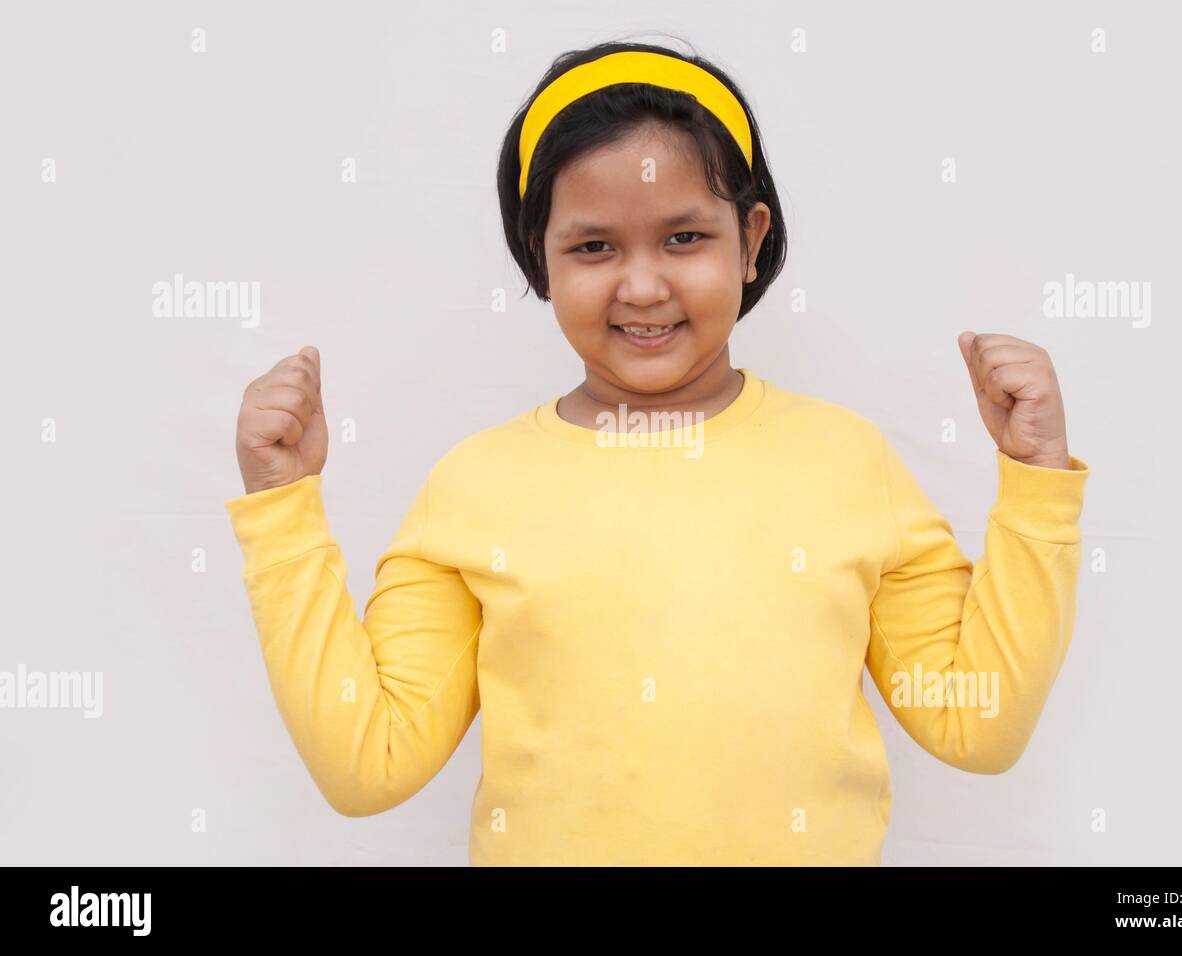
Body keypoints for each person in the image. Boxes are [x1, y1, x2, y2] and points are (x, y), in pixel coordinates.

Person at [225, 40, 1091, 866]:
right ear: (541, 255)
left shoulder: (850, 462)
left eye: (684, 238)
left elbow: (977, 726)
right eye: (594, 246)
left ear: (750, 241)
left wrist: (1036, 485)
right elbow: (368, 760)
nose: (642, 286)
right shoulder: (475, 487)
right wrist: (284, 516)